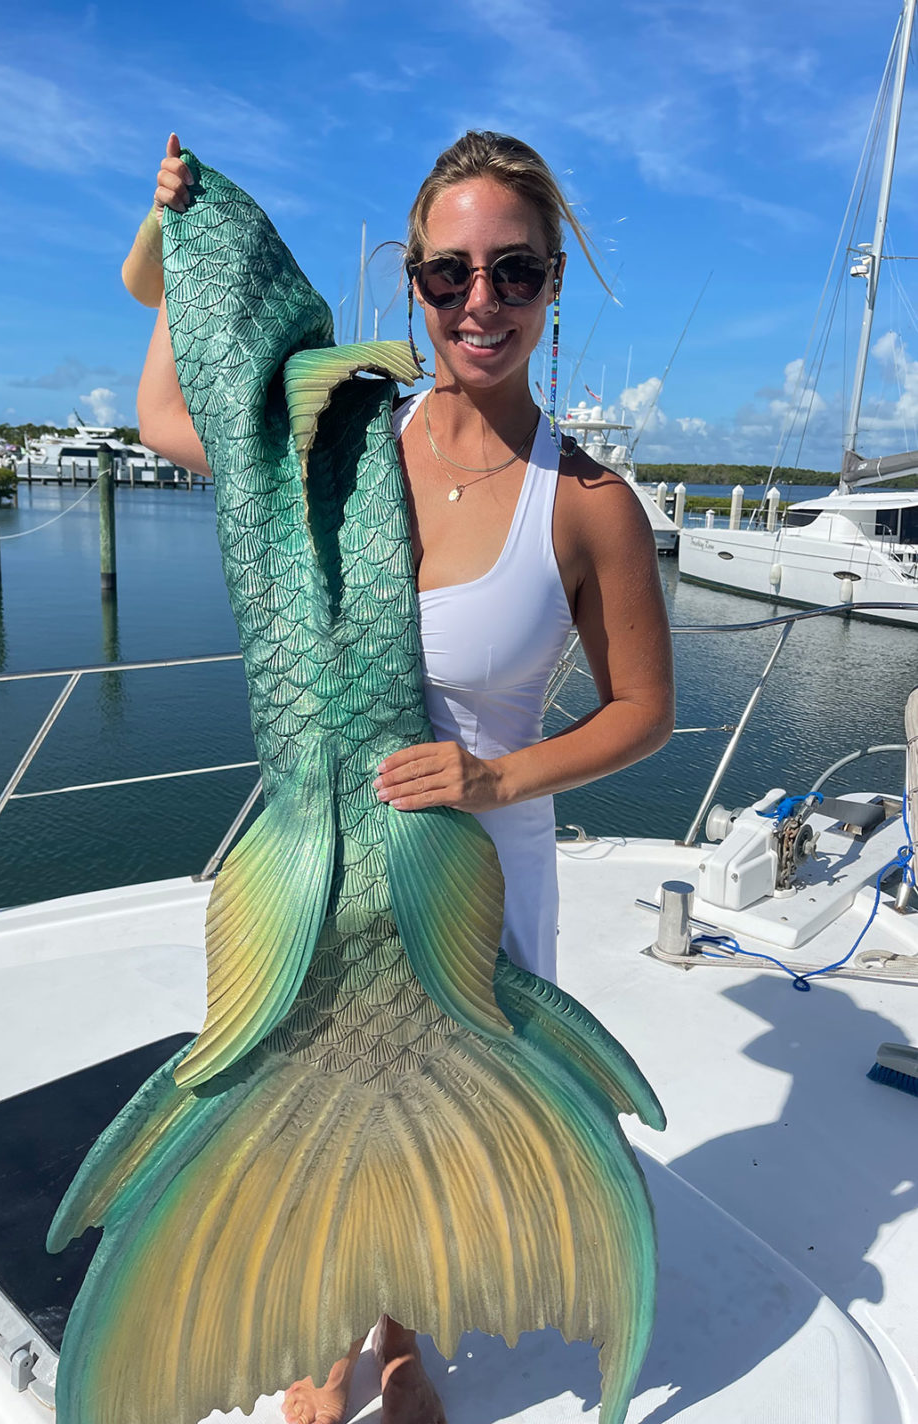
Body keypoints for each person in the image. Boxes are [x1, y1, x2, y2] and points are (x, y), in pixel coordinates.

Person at [122, 129, 674, 1424]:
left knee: (432, 1117)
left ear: (551, 287)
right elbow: (161, 409)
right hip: (321, 853)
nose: (479, 305)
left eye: (515, 273)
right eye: (448, 277)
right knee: (309, 1078)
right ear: (413, 281)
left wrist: (497, 779)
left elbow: (645, 711)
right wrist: (165, 236)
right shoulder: (340, 433)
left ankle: (408, 1336)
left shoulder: (589, 502)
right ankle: (323, 1339)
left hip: (478, 868)